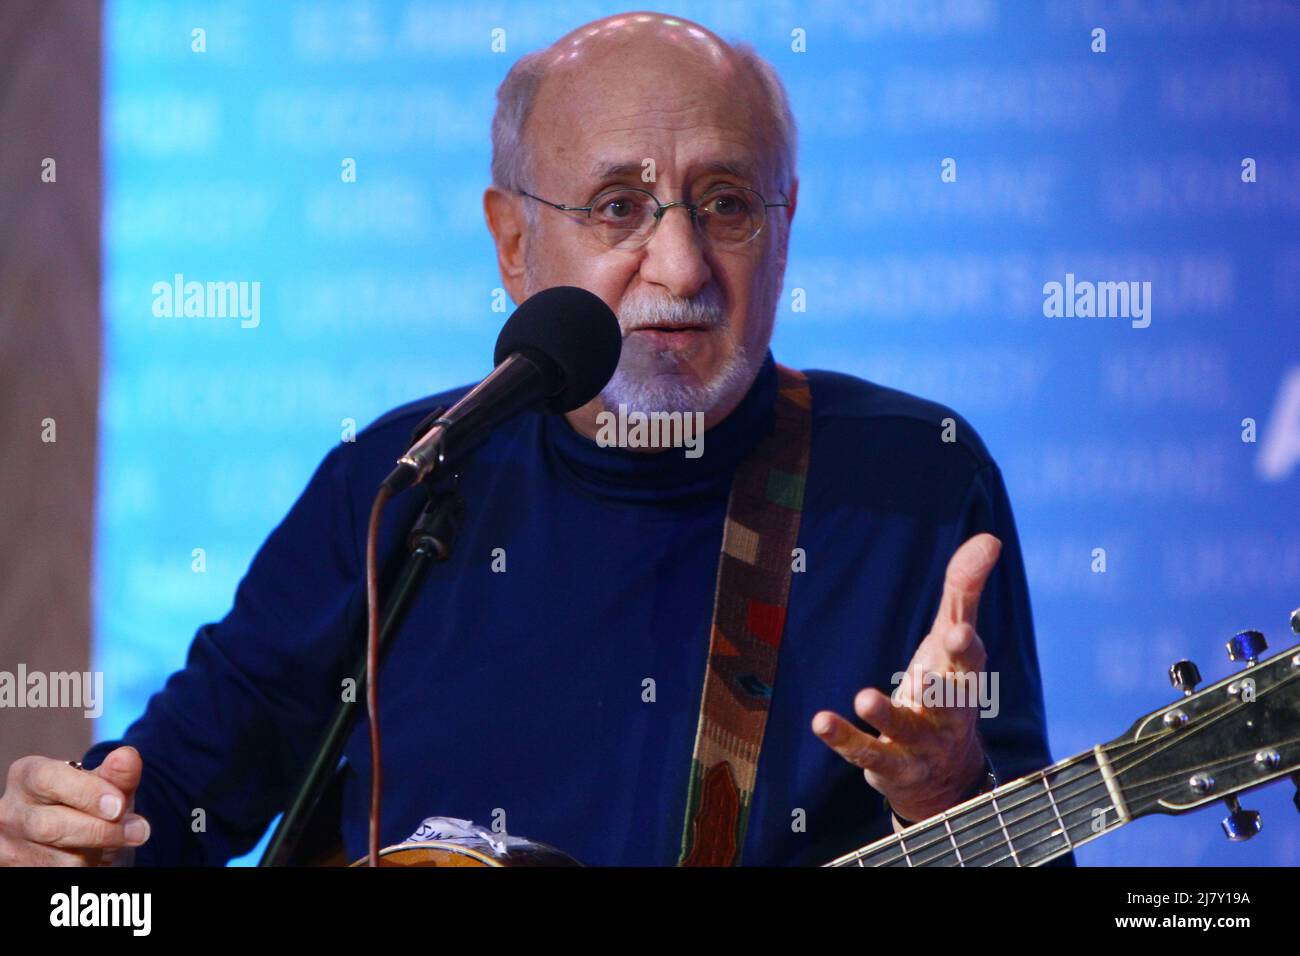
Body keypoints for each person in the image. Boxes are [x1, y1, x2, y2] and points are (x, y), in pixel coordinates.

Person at [0, 11, 1064, 867]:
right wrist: (82, 848)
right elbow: (169, 804)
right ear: (514, 243)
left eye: (726, 204)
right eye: (617, 207)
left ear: (786, 226)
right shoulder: (400, 478)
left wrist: (944, 794)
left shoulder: (914, 478)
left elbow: (1030, 853)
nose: (682, 267)